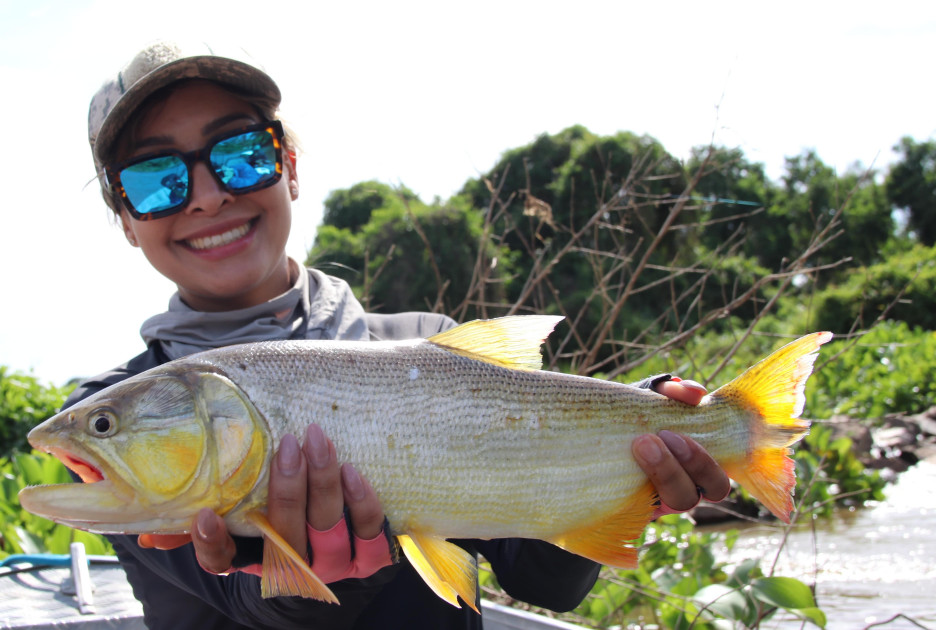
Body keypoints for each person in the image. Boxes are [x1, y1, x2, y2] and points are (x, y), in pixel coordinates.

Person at [64, 40, 731, 629]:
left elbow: (545, 581)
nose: (207, 196)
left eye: (239, 155)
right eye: (156, 180)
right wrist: (315, 582)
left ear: (289, 165)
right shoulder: (116, 411)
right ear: (125, 218)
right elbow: (250, 611)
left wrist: (635, 454)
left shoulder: (430, 346)